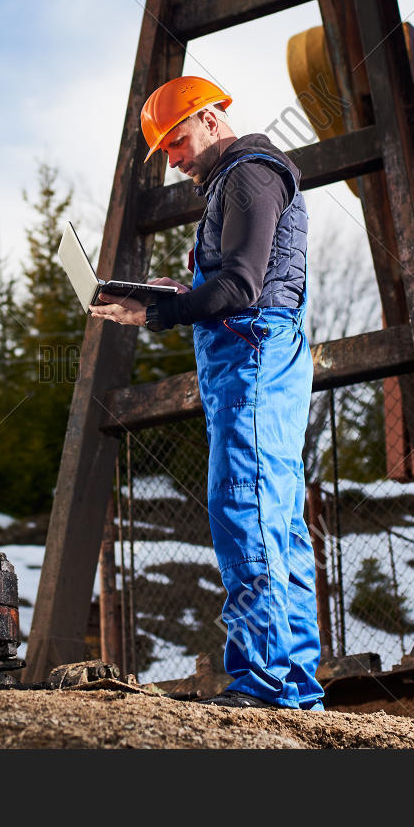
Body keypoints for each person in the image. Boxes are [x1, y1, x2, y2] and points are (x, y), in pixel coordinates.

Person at [91, 75, 322, 710]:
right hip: (257, 361)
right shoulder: (239, 181)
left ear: (214, 121)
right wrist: (169, 291)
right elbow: (233, 280)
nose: (174, 159)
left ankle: (266, 685)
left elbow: (243, 288)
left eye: (177, 141)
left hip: (251, 357)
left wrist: (157, 314)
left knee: (245, 512)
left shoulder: (248, 174)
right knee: (276, 523)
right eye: (164, 151)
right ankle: (295, 687)